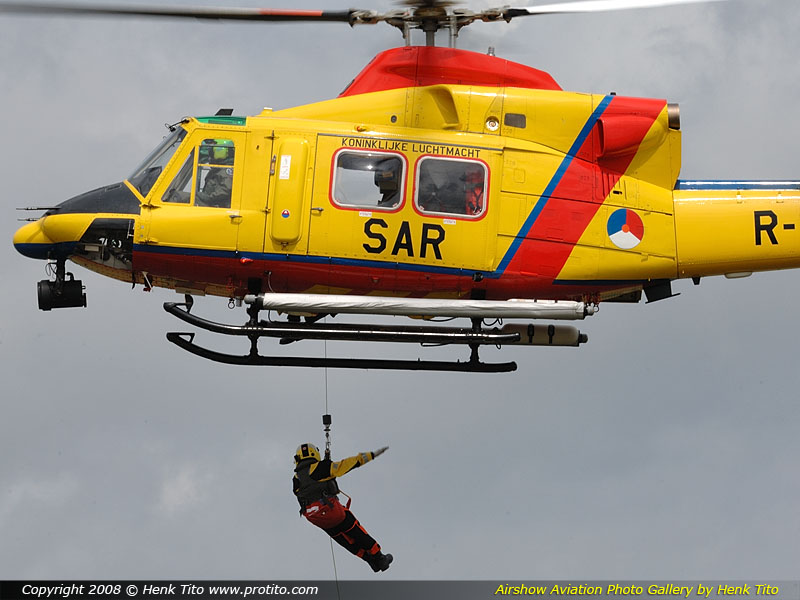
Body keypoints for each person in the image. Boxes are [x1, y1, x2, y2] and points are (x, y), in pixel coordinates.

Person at [292, 442, 393, 573]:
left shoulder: (295, 479)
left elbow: (309, 488)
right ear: (314, 453)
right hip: (333, 512)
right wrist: (370, 456)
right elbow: (345, 465)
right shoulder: (321, 467)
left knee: (344, 539)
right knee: (355, 529)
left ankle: (370, 561)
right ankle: (379, 557)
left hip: (316, 518)